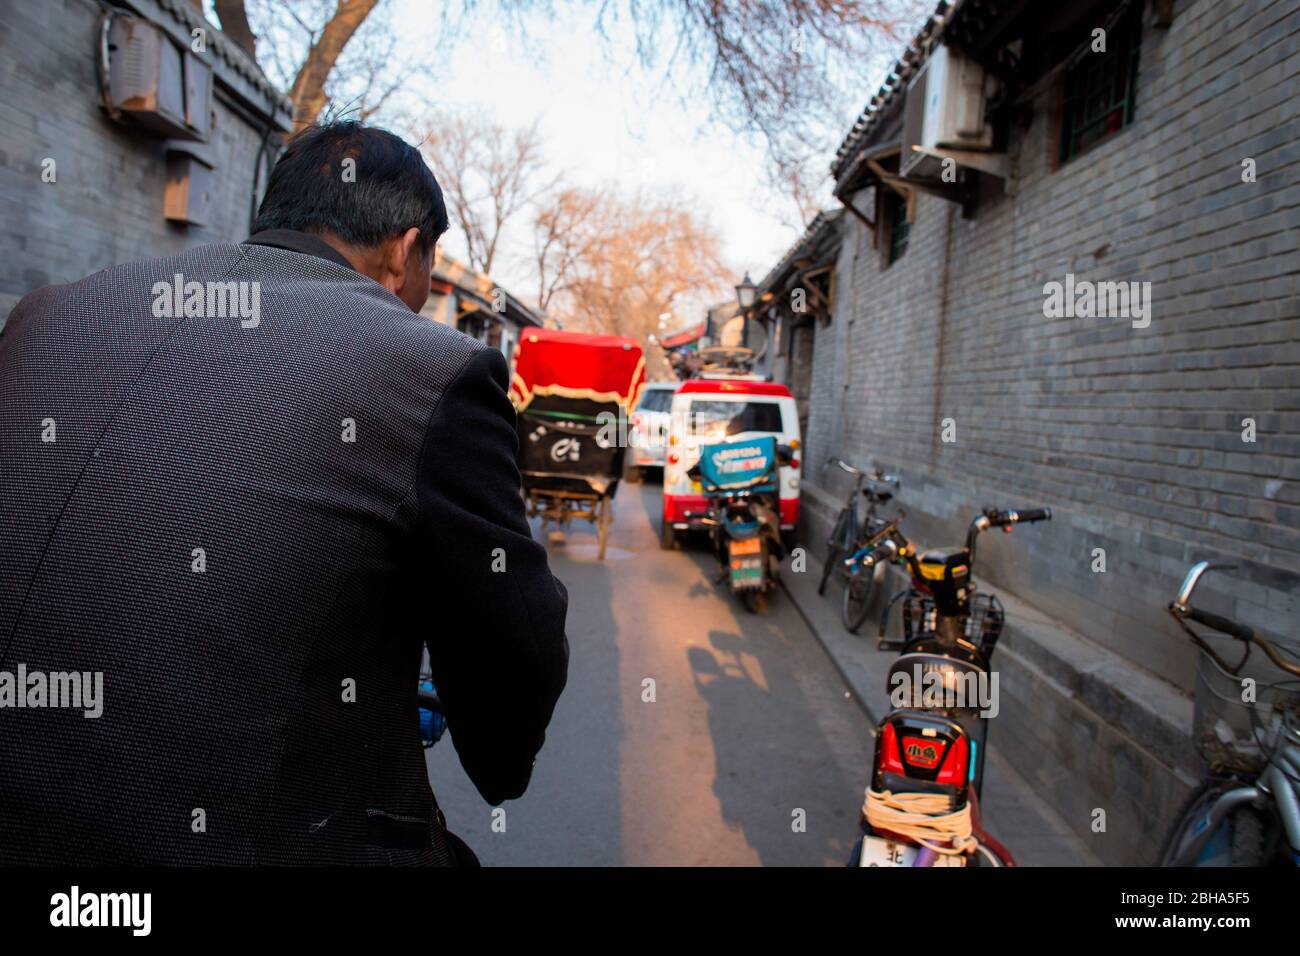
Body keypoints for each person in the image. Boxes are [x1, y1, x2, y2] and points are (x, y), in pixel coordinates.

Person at [0, 121, 569, 865]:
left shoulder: (50, 314)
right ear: (405, 251)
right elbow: (512, 651)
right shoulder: (434, 368)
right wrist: (501, 758)